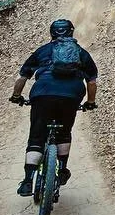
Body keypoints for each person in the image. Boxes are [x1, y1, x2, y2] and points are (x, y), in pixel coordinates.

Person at [11, 19, 99, 198]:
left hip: (43, 93)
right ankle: (62, 169)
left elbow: (22, 77)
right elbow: (91, 82)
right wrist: (90, 102)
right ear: (71, 32)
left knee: (36, 136)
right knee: (64, 133)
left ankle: (27, 181)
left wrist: (16, 96)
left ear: (51, 33)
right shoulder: (81, 53)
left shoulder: (42, 51)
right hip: (71, 94)